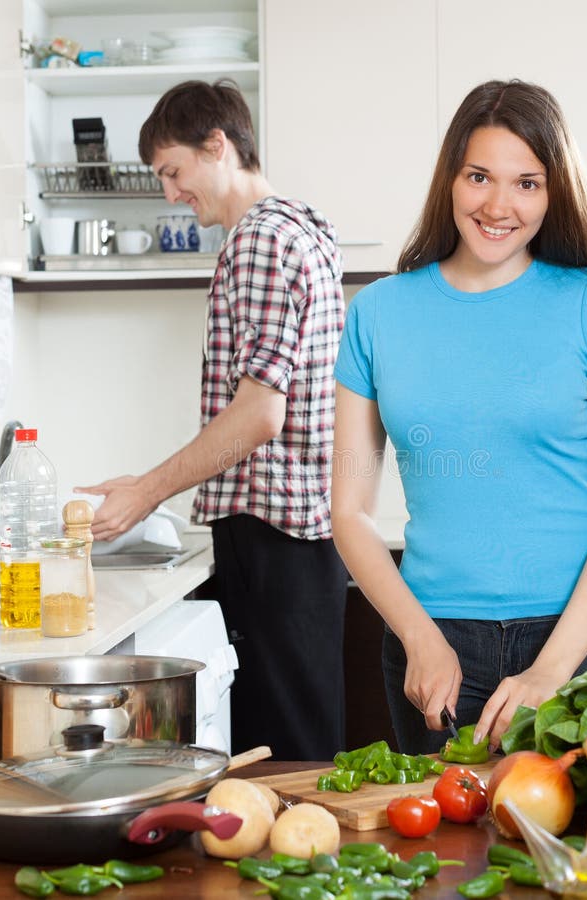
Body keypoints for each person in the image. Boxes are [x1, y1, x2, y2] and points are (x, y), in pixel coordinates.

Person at [331, 79, 587, 755]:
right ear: (450, 178)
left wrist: (549, 671)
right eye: (479, 176)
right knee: (447, 857)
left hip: (581, 638)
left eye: (526, 183)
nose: (498, 205)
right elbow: (350, 510)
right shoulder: (377, 314)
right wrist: (418, 637)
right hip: (435, 644)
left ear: (551, 192)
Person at [77, 79, 348, 761]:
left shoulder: (256, 242)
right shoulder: (302, 227)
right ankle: (313, 865)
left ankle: (291, 865)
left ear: (218, 145)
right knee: (305, 743)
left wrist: (145, 492)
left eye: (172, 171)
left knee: (279, 754)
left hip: (272, 537)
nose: (170, 193)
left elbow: (258, 414)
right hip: (308, 533)